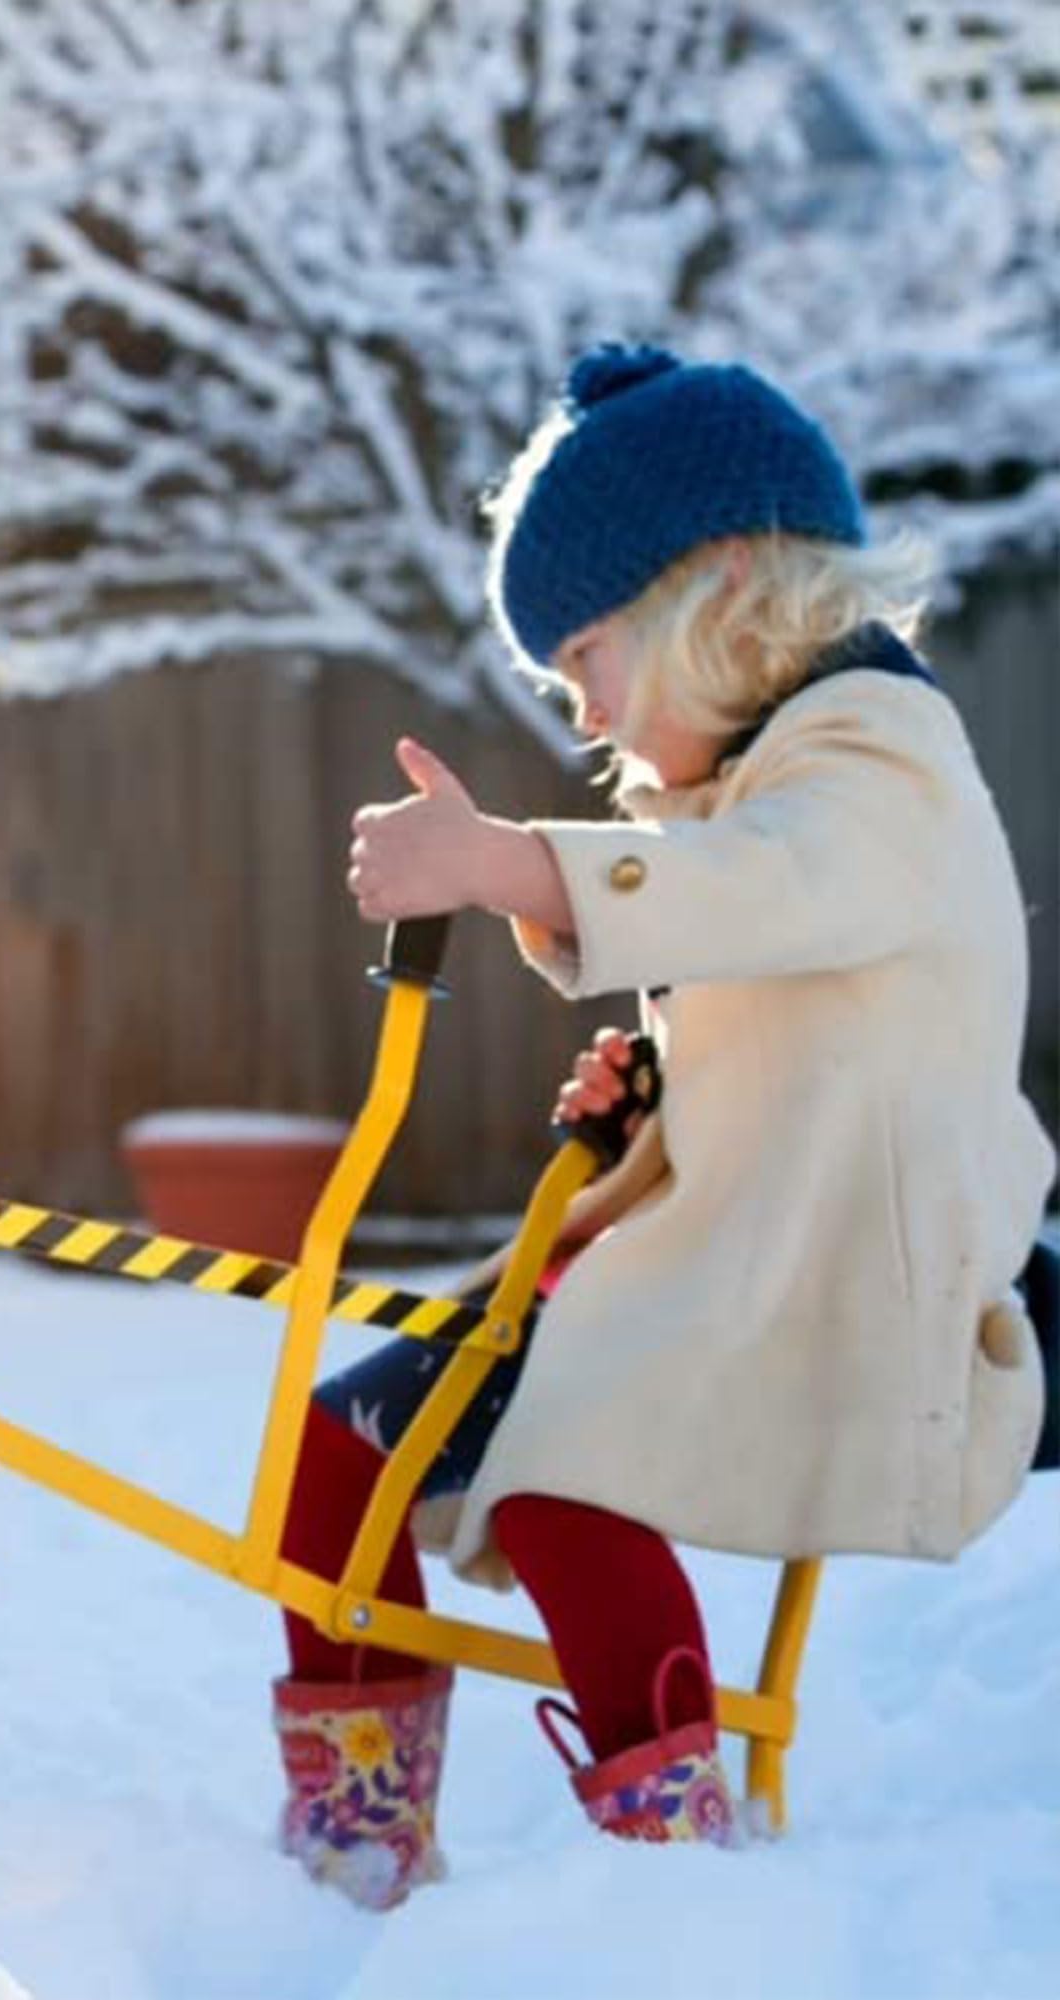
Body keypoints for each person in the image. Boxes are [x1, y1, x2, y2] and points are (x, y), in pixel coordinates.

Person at [270, 342, 1056, 1911]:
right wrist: (656, 1092)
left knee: (569, 1469)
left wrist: (507, 868)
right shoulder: (763, 787)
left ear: (725, 589)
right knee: (345, 1443)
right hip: (720, 1276)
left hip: (844, 1293)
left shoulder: (881, 756)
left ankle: (672, 1862)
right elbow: (780, 989)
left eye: (587, 665)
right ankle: (357, 1850)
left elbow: (787, 889)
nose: (588, 720)